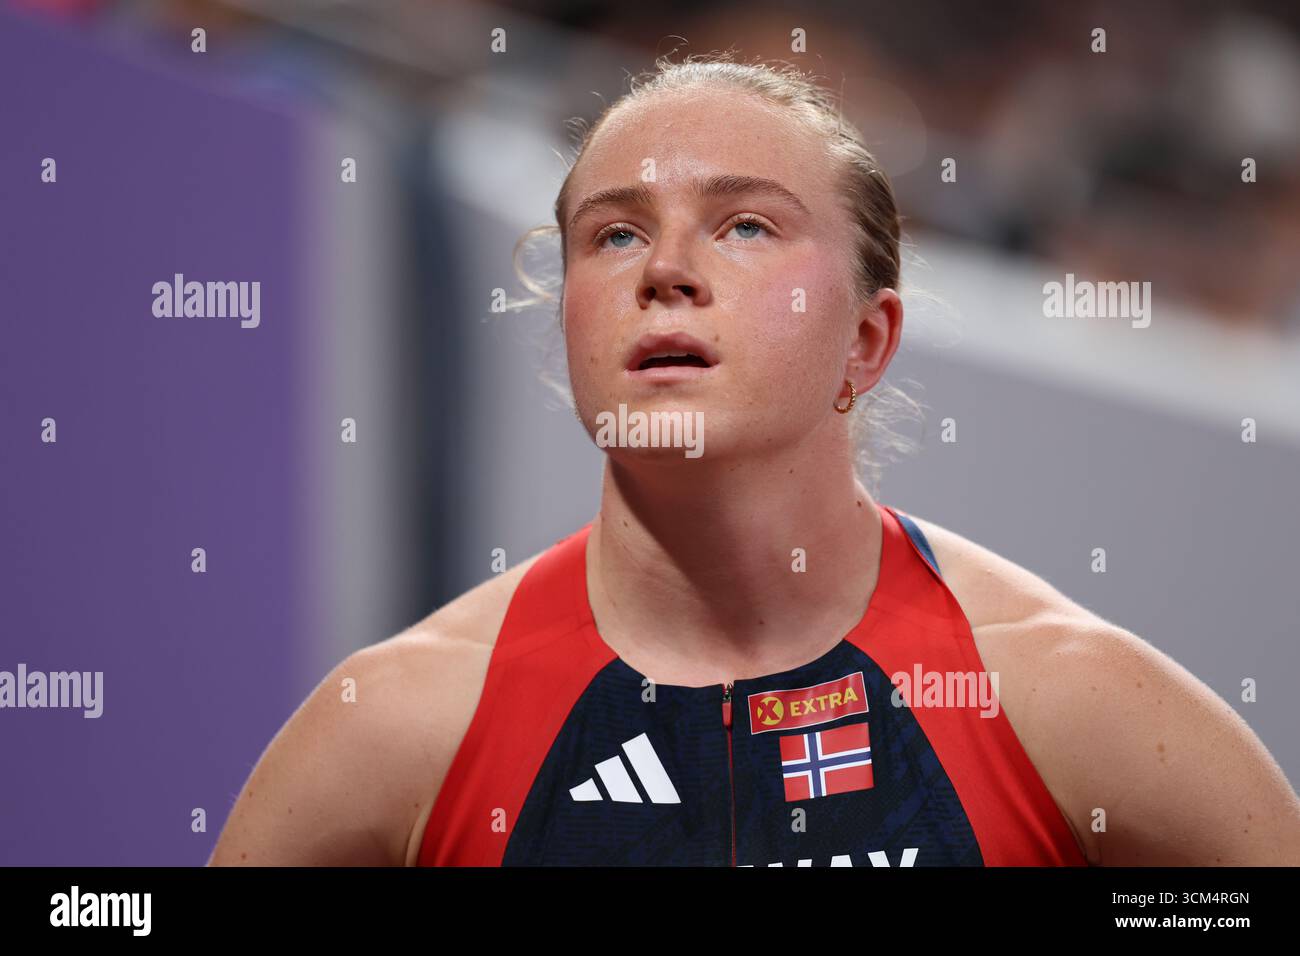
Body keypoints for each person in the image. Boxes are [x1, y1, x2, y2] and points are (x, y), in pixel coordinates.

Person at [208, 54, 1300, 867]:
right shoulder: (400, 722)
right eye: (615, 234)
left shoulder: (1070, 702)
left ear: (866, 340)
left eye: (743, 227)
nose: (666, 270)